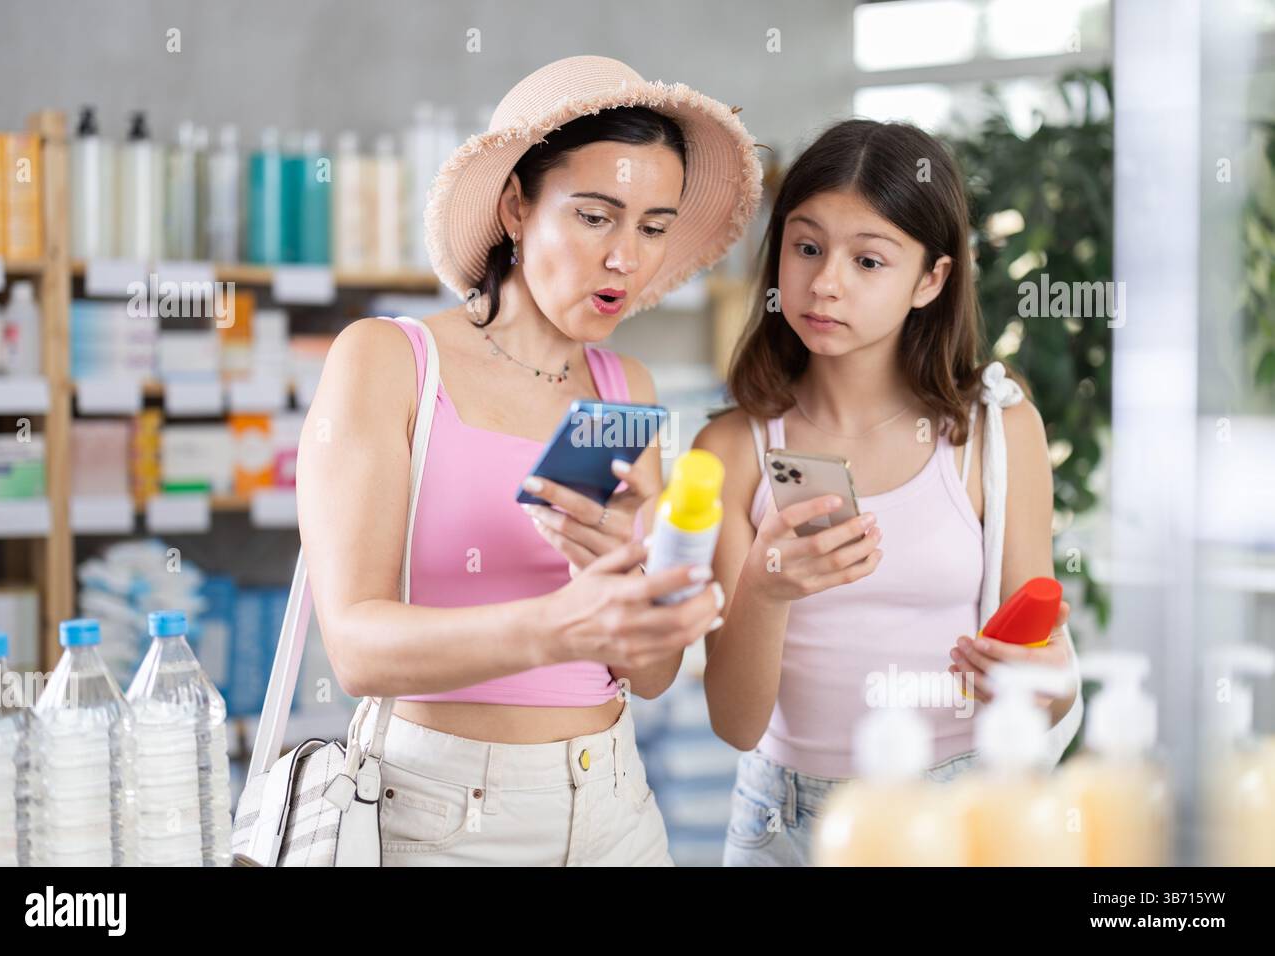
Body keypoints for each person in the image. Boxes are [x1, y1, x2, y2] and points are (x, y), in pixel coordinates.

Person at [296, 55, 763, 865]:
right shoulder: (390, 360)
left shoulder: (626, 390)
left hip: (615, 806)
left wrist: (638, 591)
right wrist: (559, 624)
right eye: (595, 216)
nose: (627, 258)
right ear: (516, 205)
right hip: (439, 818)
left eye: (653, 227)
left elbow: (649, 677)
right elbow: (358, 650)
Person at [693, 118, 1083, 866]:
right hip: (786, 821)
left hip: (961, 809)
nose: (825, 282)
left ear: (931, 280)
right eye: (805, 247)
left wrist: (1048, 680)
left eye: (868, 260)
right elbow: (736, 724)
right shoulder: (734, 449)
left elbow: (1048, 665)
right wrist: (768, 591)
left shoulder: (996, 433)